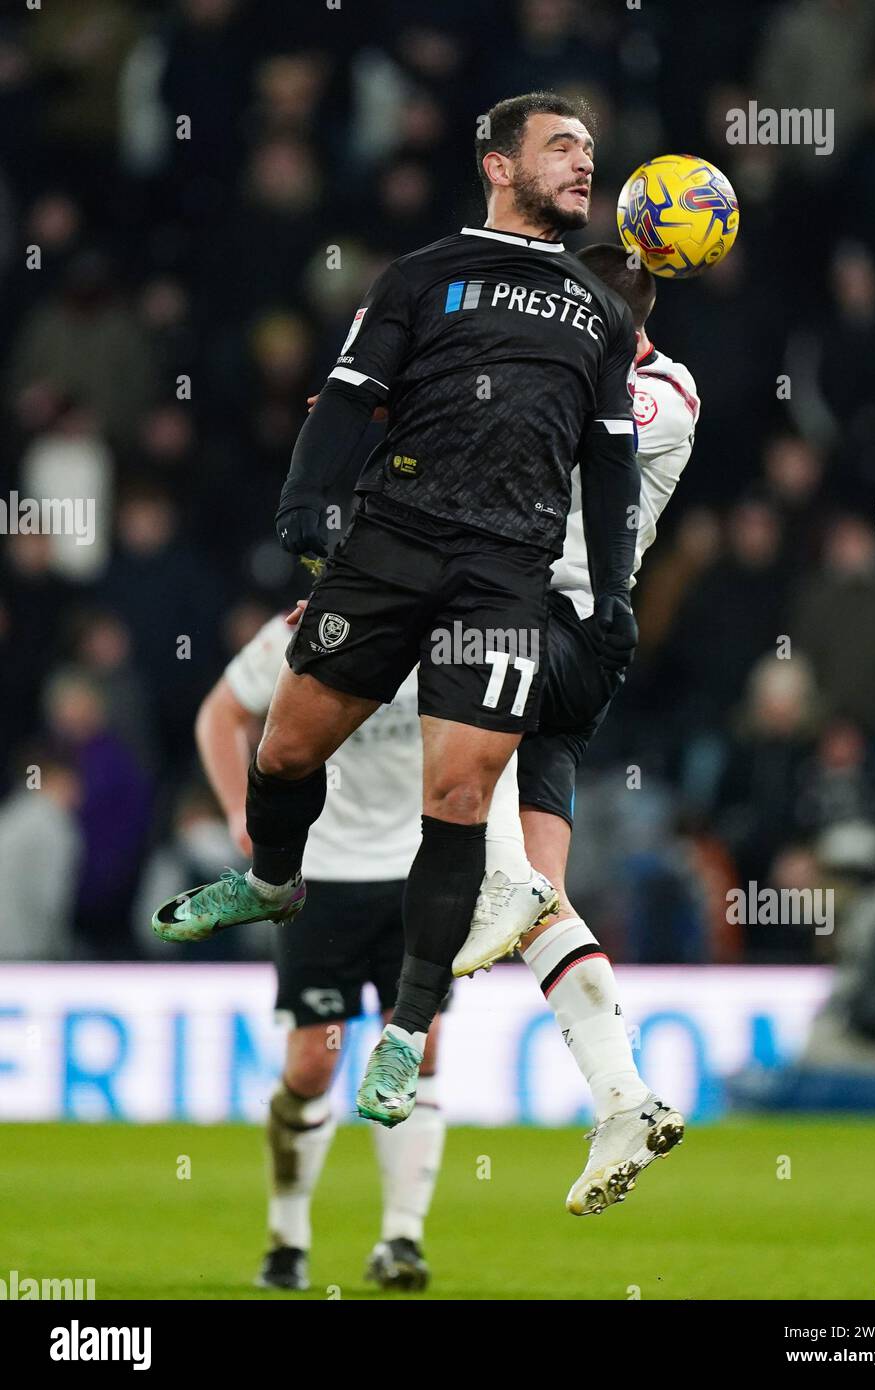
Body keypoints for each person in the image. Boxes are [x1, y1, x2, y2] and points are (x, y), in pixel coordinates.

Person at [152, 92, 640, 1144]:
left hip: (504, 574)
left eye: (590, 153)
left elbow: (607, 464)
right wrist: (304, 500)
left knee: (458, 799)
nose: (583, 166)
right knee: (283, 753)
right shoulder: (419, 277)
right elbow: (345, 398)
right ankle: (274, 883)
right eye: (561, 148)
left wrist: (612, 593)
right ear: (497, 165)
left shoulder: (600, 312)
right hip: (390, 543)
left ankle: (404, 1029)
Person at [456, 243, 699, 1213]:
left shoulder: (659, 395)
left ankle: (494, 878)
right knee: (544, 902)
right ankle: (622, 1099)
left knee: (409, 659)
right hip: (565, 652)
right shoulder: (581, 374)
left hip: (550, 629)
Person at [193, 606, 451, 1291]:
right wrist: (235, 813)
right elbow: (219, 715)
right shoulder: (298, 631)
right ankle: (287, 1239)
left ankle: (401, 1239)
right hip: (322, 876)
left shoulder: (449, 626)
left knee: (416, 1051)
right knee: (312, 1063)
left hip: (418, 869)